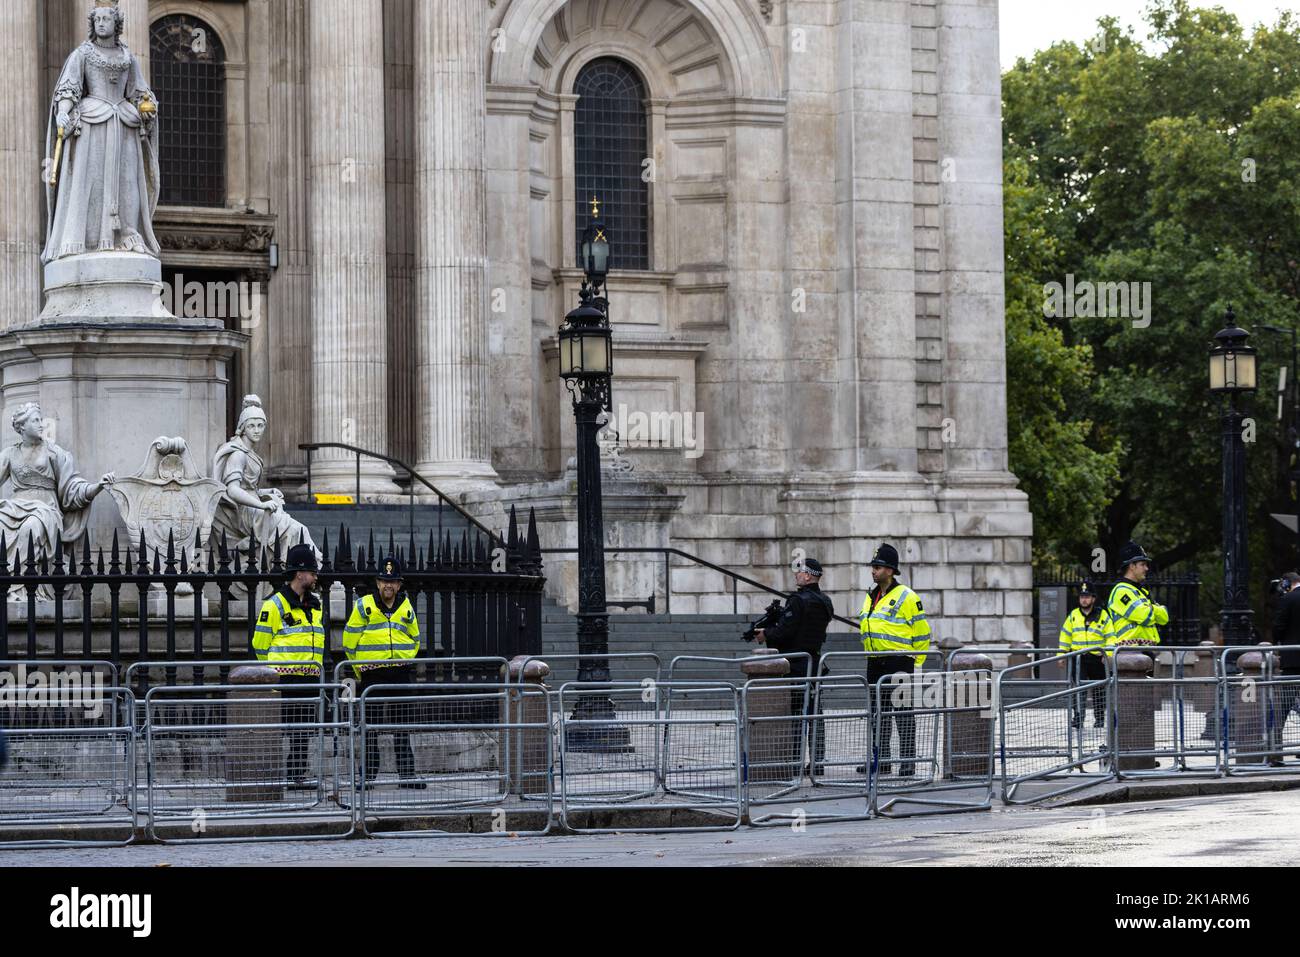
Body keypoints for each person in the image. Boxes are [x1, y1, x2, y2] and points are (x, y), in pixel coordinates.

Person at [343, 557, 426, 789]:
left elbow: (415, 638)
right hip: (373, 674)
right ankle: (367, 777)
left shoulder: (405, 606)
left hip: (399, 672)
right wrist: (361, 669)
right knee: (370, 727)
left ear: (399, 585)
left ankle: (407, 776)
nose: (388, 585)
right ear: (377, 583)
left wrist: (405, 659)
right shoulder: (363, 605)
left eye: (393, 581)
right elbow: (349, 642)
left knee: (402, 727)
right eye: (384, 581)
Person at [253, 543, 325, 790]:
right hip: (282, 679)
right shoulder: (274, 605)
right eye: (312, 572)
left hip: (309, 677)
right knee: (276, 731)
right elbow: (259, 645)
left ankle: (296, 776)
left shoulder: (315, 605)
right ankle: (269, 776)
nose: (316, 577)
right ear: (299, 574)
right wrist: (272, 674)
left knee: (302, 732)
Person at [753, 557, 834, 776]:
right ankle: (817, 762)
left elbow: (785, 632)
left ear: (808, 575)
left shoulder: (798, 600)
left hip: (796, 665)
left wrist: (766, 634)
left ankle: (795, 760)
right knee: (815, 714)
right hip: (814, 662)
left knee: (796, 714)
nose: (796, 575)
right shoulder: (826, 601)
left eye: (799, 572)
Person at [858, 543, 931, 775]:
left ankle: (908, 762)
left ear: (890, 570)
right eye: (873, 566)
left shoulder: (908, 597)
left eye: (878, 567)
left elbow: (922, 634)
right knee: (878, 715)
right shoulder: (871, 596)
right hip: (874, 661)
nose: (873, 570)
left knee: (903, 714)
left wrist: (915, 663)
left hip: (899, 662)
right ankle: (882, 760)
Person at [1058, 580, 1115, 728]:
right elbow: (1065, 636)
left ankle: (1100, 719)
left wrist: (1107, 654)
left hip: (1098, 659)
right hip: (1078, 658)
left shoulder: (1103, 615)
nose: (1084, 599)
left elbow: (1111, 636)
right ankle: (1078, 719)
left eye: (1087, 596)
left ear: (1093, 598)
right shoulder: (1073, 615)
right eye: (1082, 596)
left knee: (1099, 690)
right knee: (1078, 690)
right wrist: (1061, 655)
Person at [1107, 541, 1168, 650]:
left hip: (1146, 650)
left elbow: (1164, 618)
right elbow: (1144, 616)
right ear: (1132, 566)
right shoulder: (1121, 591)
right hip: (1130, 651)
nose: (1146, 568)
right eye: (1142, 564)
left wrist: (1150, 609)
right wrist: (1156, 609)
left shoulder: (1142, 591)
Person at [1269, 571, 1300, 761]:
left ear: (1288, 582)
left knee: (1285, 704)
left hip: (1293, 660)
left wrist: (1278, 640)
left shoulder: (1289, 599)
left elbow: (1278, 627)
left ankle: (1275, 749)